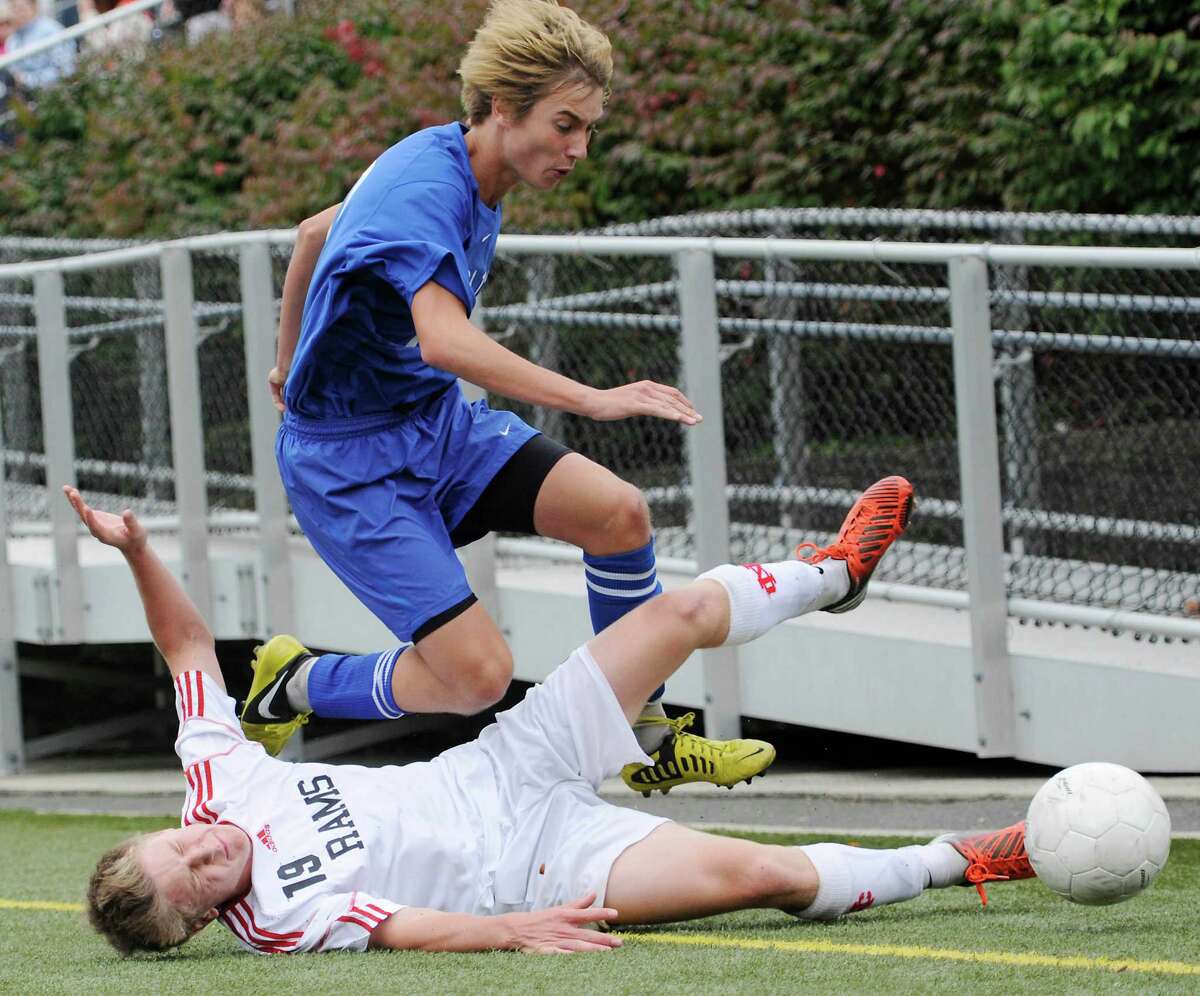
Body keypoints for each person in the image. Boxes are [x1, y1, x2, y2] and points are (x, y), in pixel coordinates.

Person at [73, 477, 1036, 957]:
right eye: (195, 887)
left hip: (508, 764)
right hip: (536, 864)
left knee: (684, 612)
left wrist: (135, 553)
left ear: (169, 825)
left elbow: (189, 651)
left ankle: (834, 573)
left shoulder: (216, 782)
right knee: (763, 875)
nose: (206, 857)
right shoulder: (278, 923)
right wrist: (515, 929)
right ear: (203, 923)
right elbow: (402, 926)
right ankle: (967, 856)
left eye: (181, 848)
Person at [255, 0, 767, 796]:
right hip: (348, 467)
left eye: (589, 128)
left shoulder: (469, 168)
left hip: (435, 424)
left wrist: (285, 362)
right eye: (565, 125)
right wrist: (593, 399)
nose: (579, 149)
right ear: (500, 107)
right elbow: (444, 342)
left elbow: (313, 236)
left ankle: (647, 734)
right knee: (478, 679)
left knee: (619, 515)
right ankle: (294, 684)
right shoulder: (424, 189)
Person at [3, 0, 75, 91]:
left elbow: (66, 69)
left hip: (57, 93)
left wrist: (27, 79)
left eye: (21, 8)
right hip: (27, 97)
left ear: (34, 7)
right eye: (13, 9)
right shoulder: (11, 41)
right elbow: (13, 74)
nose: (18, 14)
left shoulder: (50, 30)